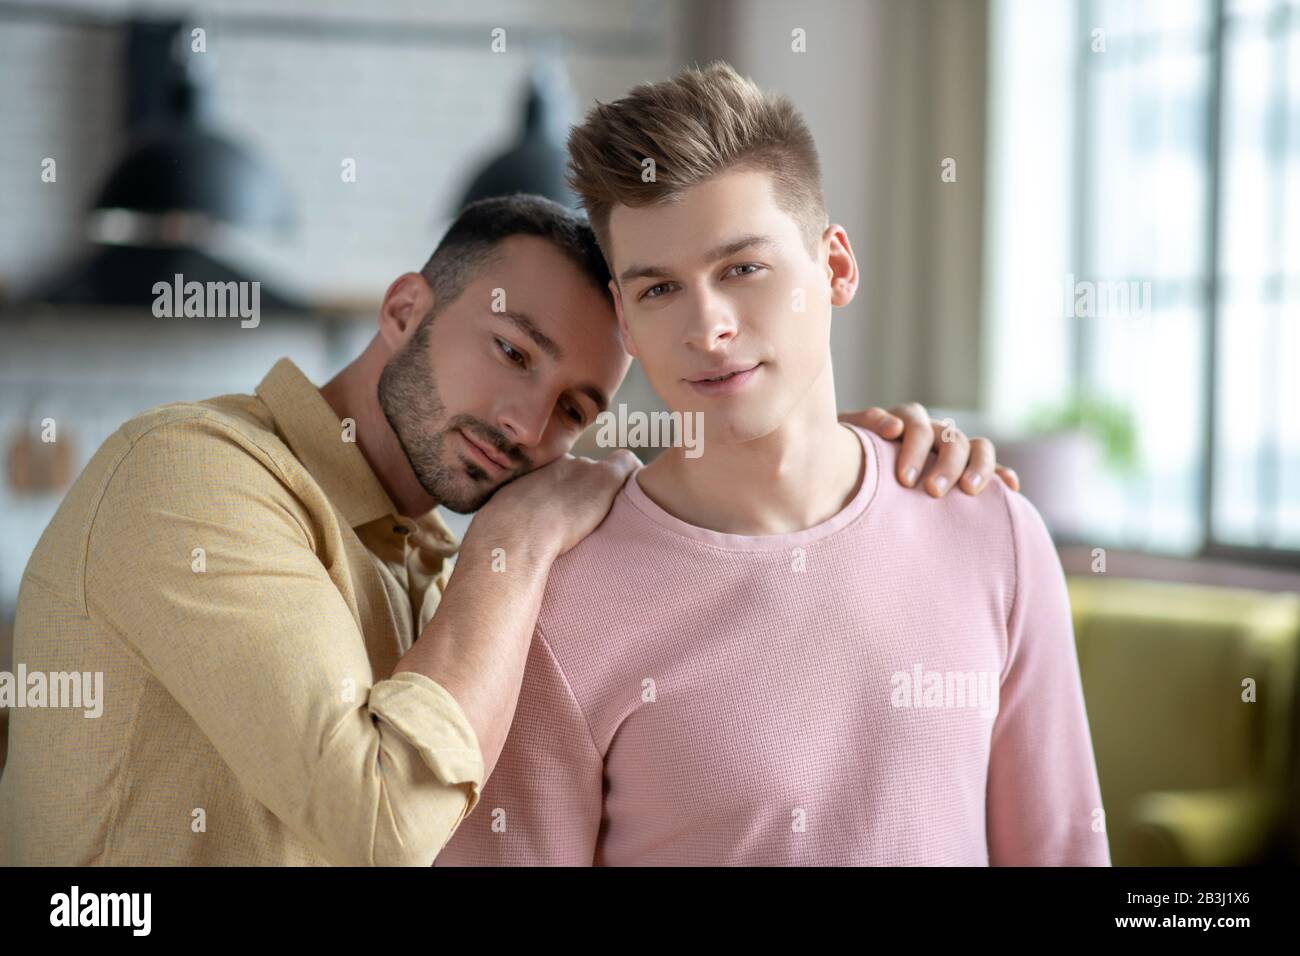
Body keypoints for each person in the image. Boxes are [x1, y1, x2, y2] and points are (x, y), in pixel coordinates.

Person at [0, 191, 1008, 866]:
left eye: (574, 406)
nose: (529, 426)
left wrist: (862, 462)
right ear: (404, 309)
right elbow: (383, 816)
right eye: (511, 352)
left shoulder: (427, 561)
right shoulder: (192, 472)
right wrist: (512, 544)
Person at [435, 63, 1109, 866]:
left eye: (743, 270)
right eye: (658, 291)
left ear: (835, 268)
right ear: (624, 318)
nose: (707, 326)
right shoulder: (558, 605)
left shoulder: (994, 532)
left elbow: (1063, 850)